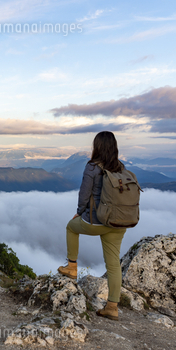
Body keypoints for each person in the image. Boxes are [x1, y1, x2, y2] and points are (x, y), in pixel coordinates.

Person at [57, 131, 127, 321]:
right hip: (119, 222)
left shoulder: (92, 167)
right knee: (113, 265)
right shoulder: (120, 167)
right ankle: (112, 307)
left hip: (96, 221)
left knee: (71, 227)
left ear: (96, 146)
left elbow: (84, 193)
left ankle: (72, 267)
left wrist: (80, 212)